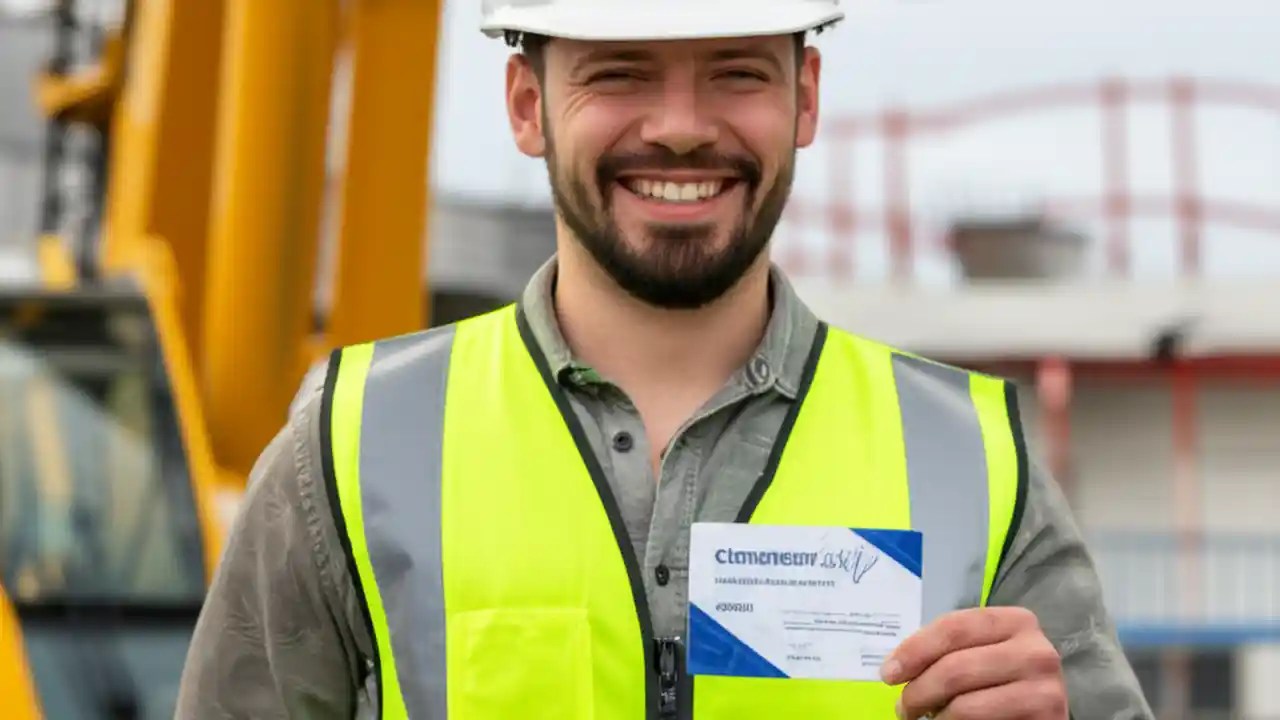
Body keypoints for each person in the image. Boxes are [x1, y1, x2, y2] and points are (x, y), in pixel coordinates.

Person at [176, 1, 1155, 717]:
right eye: (619, 70)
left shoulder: (970, 461)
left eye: (735, 70)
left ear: (803, 97)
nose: (681, 125)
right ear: (526, 103)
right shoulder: (353, 445)